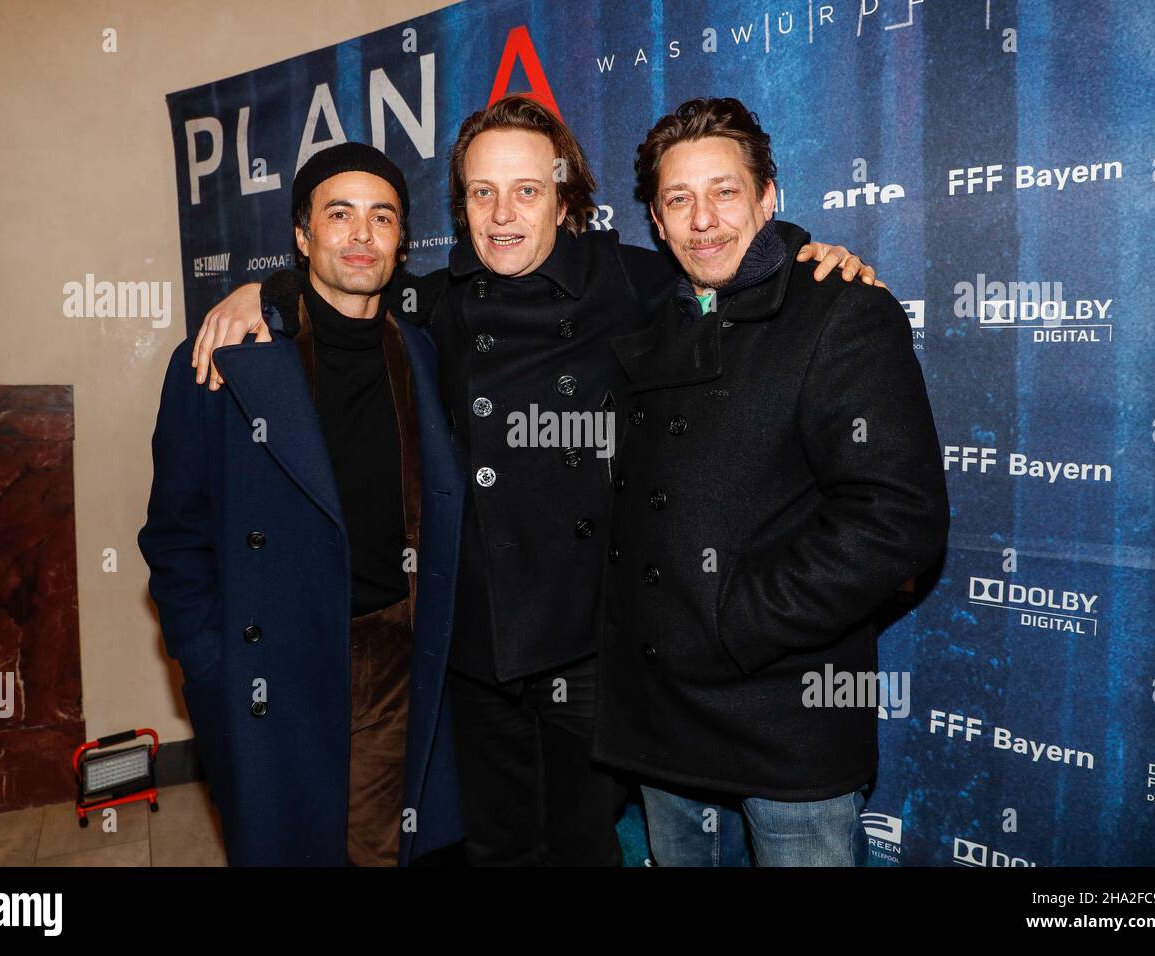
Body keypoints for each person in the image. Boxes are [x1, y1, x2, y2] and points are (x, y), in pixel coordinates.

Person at [192, 95, 879, 865]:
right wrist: (268, 292)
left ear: (567, 197)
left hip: (589, 645)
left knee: (584, 845)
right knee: (494, 847)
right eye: (482, 193)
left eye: (527, 190)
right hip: (476, 647)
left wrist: (807, 255)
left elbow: (724, 254)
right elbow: (351, 287)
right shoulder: (442, 298)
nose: (502, 214)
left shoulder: (632, 282)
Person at [592, 97, 950, 866]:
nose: (703, 220)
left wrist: (739, 620)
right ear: (655, 221)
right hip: (663, 717)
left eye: (725, 191)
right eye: (677, 200)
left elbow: (897, 518)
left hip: (785, 714)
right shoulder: (654, 325)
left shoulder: (842, 310)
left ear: (768, 197)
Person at [137, 143, 463, 866]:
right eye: (339, 214)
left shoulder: (423, 352)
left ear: (403, 240)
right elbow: (173, 537)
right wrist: (209, 663)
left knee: (378, 852)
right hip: (272, 667)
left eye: (382, 218)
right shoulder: (223, 361)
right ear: (302, 235)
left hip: (391, 658)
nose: (361, 235)